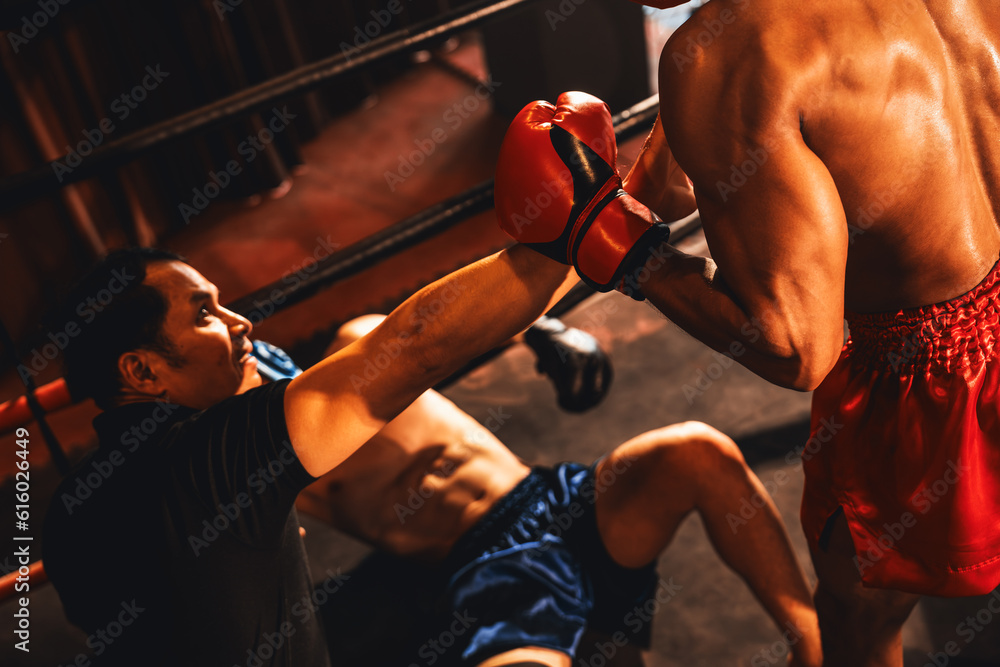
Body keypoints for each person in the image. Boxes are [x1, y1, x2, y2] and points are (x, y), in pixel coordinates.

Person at [491, 1, 1000, 664]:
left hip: (926, 377)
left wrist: (621, 249)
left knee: (857, 613)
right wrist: (628, 190)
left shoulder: (723, 53)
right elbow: (682, 184)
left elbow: (797, 347)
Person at [42, 244, 574, 666]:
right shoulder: (219, 450)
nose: (239, 322)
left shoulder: (64, 511)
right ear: (142, 372)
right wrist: (569, 245)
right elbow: (416, 344)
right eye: (204, 313)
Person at [293, 314, 822, 667]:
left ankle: (817, 646)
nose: (242, 331)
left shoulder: (363, 344)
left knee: (693, 450)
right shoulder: (284, 478)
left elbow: (468, 319)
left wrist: (541, 330)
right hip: (488, 570)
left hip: (557, 501)